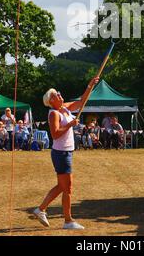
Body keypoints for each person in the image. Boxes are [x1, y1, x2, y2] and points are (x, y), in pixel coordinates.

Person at [33, 75, 99, 230]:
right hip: (61, 153)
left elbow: (82, 102)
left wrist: (90, 85)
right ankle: (68, 221)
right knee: (67, 188)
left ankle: (41, 209)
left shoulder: (64, 108)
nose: (60, 95)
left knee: (62, 186)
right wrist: (70, 124)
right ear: (51, 101)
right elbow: (55, 134)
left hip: (66, 152)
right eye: (57, 95)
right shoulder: (54, 113)